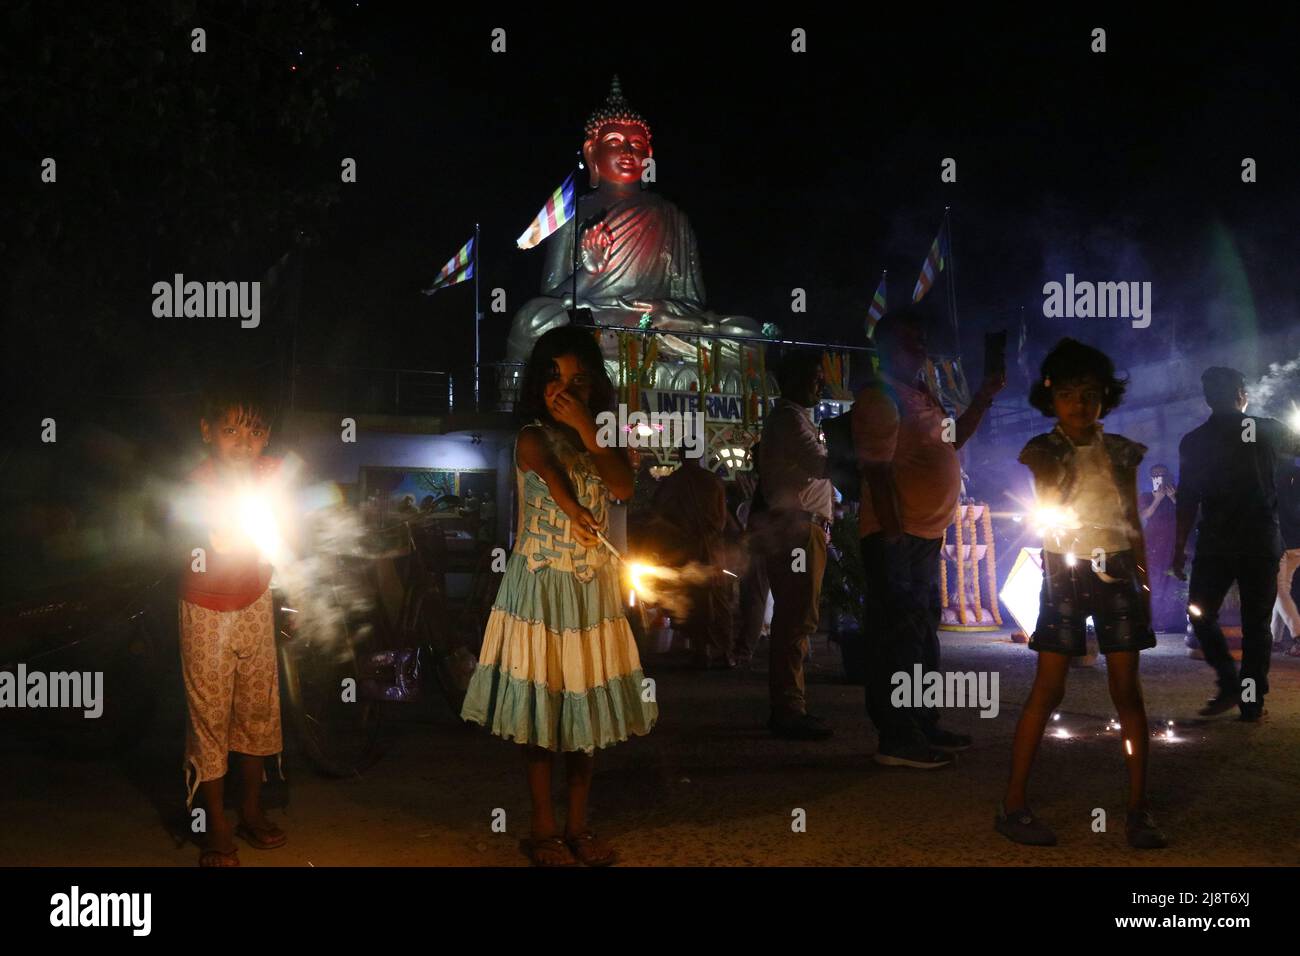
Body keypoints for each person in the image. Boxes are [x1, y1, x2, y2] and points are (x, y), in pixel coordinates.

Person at [460, 326, 657, 866]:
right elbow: (548, 474)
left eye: (575, 380)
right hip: (542, 590)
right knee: (543, 710)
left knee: (584, 709)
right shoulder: (529, 435)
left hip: (590, 593)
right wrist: (574, 513)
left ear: (593, 386)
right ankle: (543, 828)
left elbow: (622, 488)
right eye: (553, 378)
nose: (562, 390)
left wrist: (586, 429)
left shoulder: (602, 437)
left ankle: (578, 826)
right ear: (538, 384)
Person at [995, 338, 1165, 849]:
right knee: (1048, 688)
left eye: (1090, 393)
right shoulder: (1042, 451)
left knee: (1126, 691)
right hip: (1064, 571)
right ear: (1051, 399)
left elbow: (1133, 521)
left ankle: (1138, 810)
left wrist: (1145, 581)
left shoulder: (1122, 452)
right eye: (1068, 393)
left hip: (1115, 569)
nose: (1079, 404)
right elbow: (1045, 498)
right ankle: (1013, 805)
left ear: (1105, 398)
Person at [853, 306, 1002, 769]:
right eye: (910, 339)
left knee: (921, 636)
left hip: (924, 537)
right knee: (897, 637)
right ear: (887, 349)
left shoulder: (922, 395)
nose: (921, 346)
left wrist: (984, 397)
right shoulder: (880, 398)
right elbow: (875, 470)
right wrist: (895, 535)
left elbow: (951, 442)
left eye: (921, 338)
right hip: (895, 539)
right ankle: (896, 737)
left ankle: (922, 722)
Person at [174, 379, 293, 866]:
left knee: (257, 711)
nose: (244, 443)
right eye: (230, 430)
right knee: (210, 717)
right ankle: (216, 824)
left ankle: (251, 809)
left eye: (256, 431)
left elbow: (287, 532)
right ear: (207, 431)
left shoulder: (272, 474)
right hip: (205, 609)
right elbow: (182, 533)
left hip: (256, 601)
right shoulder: (195, 483)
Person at [1173, 367, 1300, 721]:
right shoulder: (1266, 429)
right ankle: (1250, 699)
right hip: (1259, 543)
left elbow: (1186, 500)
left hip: (1216, 544)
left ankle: (1232, 683)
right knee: (1256, 626)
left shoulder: (1195, 441)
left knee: (1200, 612)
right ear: (1242, 394)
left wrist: (1178, 549)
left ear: (1208, 397)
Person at [755, 352, 834, 739]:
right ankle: (789, 709)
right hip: (797, 530)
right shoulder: (788, 418)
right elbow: (821, 463)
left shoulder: (794, 418)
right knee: (795, 617)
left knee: (796, 616)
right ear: (791, 380)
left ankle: (790, 705)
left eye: (821, 377)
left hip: (799, 528)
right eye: (814, 377)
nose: (821, 384)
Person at [652, 451, 734, 668]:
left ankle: (702, 652)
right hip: (713, 546)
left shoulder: (673, 482)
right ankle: (725, 651)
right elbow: (722, 518)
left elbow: (659, 512)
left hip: (688, 548)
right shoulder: (713, 481)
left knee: (696, 599)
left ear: (680, 455)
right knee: (718, 599)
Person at [1138, 464, 1181, 630]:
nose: (1159, 478)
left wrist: (1173, 498)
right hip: (1154, 543)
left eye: (1162, 474)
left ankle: (1175, 622)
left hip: (1174, 542)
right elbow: (1144, 515)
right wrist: (1157, 499)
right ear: (1151, 478)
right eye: (1155, 475)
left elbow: (1187, 515)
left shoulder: (1177, 493)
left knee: (1174, 582)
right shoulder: (1147, 496)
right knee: (1154, 581)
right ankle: (1155, 621)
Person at [1272, 459, 1300, 654]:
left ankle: (1298, 634)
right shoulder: (1296, 474)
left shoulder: (1270, 476)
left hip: (1280, 542)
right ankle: (1274, 638)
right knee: (1283, 590)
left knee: (1278, 590)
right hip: (1298, 544)